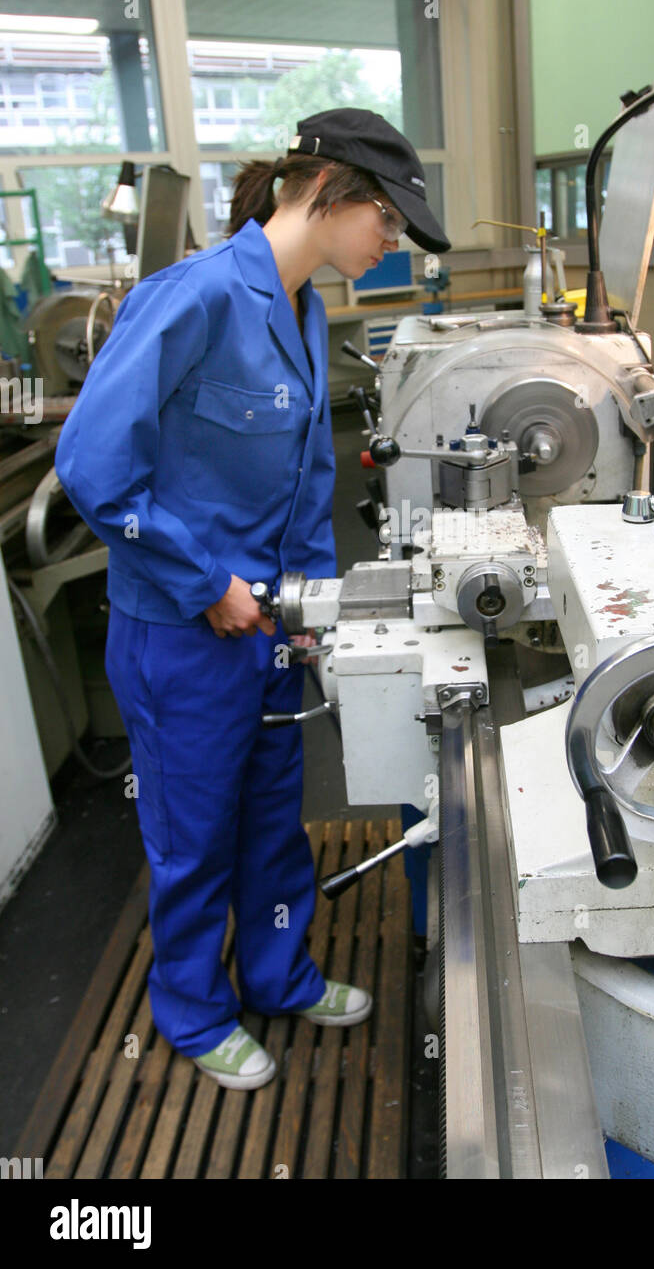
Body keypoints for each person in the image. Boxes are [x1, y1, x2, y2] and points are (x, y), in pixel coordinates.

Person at [55, 108, 451, 1090]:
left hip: (270, 625)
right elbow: (94, 465)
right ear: (329, 196)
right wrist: (204, 582)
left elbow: (303, 483)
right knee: (193, 836)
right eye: (386, 222)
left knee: (274, 817)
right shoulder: (190, 298)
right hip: (182, 634)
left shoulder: (309, 312)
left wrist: (320, 609)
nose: (389, 243)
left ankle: (277, 973)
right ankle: (192, 1011)